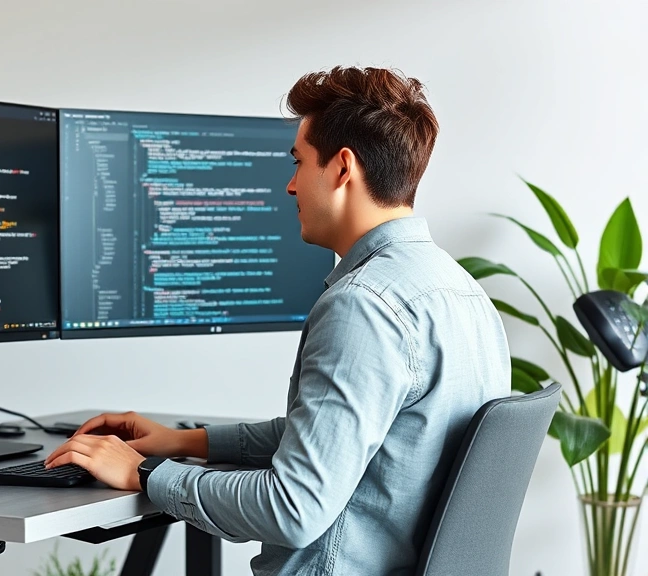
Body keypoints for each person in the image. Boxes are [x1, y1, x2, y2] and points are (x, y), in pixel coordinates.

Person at [44, 65, 510, 575]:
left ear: (342, 168)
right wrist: (186, 442)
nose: (290, 186)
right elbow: (347, 435)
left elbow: (293, 508)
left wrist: (145, 473)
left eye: (299, 162)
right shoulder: (462, 291)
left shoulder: (364, 307)